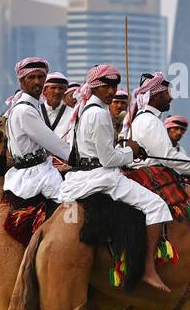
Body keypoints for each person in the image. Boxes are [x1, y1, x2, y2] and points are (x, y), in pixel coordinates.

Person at [56, 64, 173, 292]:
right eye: (107, 87)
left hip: (79, 177)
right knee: (157, 205)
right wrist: (132, 151)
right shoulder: (99, 113)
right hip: (101, 178)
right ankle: (148, 269)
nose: (112, 91)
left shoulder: (85, 109)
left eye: (115, 86)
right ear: (96, 87)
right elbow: (108, 159)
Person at [0, 58, 72, 203]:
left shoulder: (30, 106)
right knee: (73, 203)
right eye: (31, 77)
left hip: (39, 170)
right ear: (21, 82)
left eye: (40, 77)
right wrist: (82, 161)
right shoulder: (25, 110)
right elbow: (55, 144)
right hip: (35, 175)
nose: (37, 81)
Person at [125, 73, 190, 176]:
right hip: (149, 178)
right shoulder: (149, 120)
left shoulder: (143, 118)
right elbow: (168, 158)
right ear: (156, 96)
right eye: (167, 94)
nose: (171, 98)